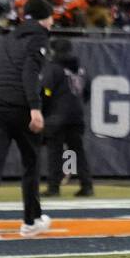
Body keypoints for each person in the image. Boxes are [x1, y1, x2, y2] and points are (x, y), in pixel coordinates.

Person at [0, 0, 55, 241]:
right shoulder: (38, 36)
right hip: (20, 106)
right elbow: (29, 72)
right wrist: (35, 108)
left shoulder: (8, 37)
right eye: (50, 17)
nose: (52, 22)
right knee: (31, 161)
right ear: (43, 18)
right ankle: (30, 220)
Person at [40, 36, 94, 197]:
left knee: (55, 152)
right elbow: (87, 90)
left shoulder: (54, 67)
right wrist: (77, 103)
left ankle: (54, 187)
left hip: (57, 116)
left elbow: (46, 91)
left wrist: (43, 110)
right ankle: (87, 185)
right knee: (78, 152)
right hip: (76, 116)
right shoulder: (80, 68)